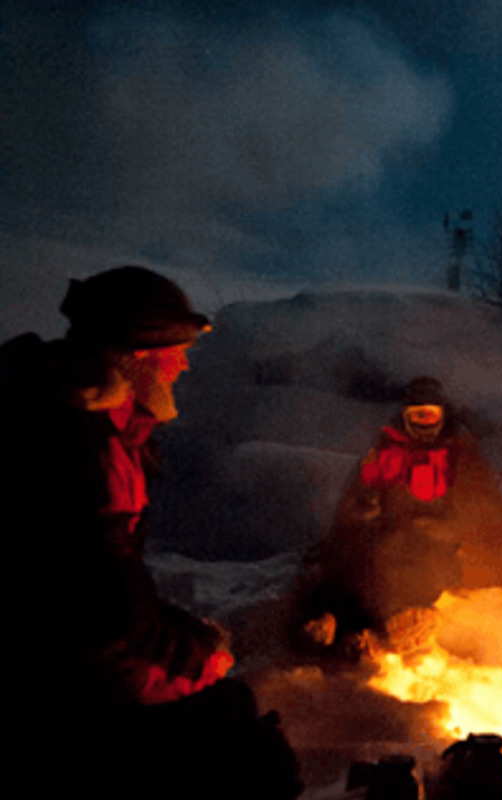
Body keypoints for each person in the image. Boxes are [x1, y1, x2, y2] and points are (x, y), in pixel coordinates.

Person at [0, 265, 301, 799]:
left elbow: (110, 586)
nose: (184, 365)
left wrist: (186, 636)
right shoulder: (72, 446)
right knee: (246, 751)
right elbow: (84, 618)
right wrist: (190, 661)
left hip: (63, 670)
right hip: (43, 696)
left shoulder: (95, 425)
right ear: (136, 357)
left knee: (230, 710)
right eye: (175, 352)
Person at [296, 376, 502, 659]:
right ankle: (330, 621)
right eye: (417, 414)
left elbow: (485, 509)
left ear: (443, 415)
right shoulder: (387, 448)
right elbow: (356, 492)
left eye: (430, 414)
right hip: (391, 532)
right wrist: (361, 510)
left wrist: (450, 529)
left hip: (441, 544)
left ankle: (388, 630)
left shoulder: (459, 453)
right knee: (349, 557)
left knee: (412, 571)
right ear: (405, 416)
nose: (424, 422)